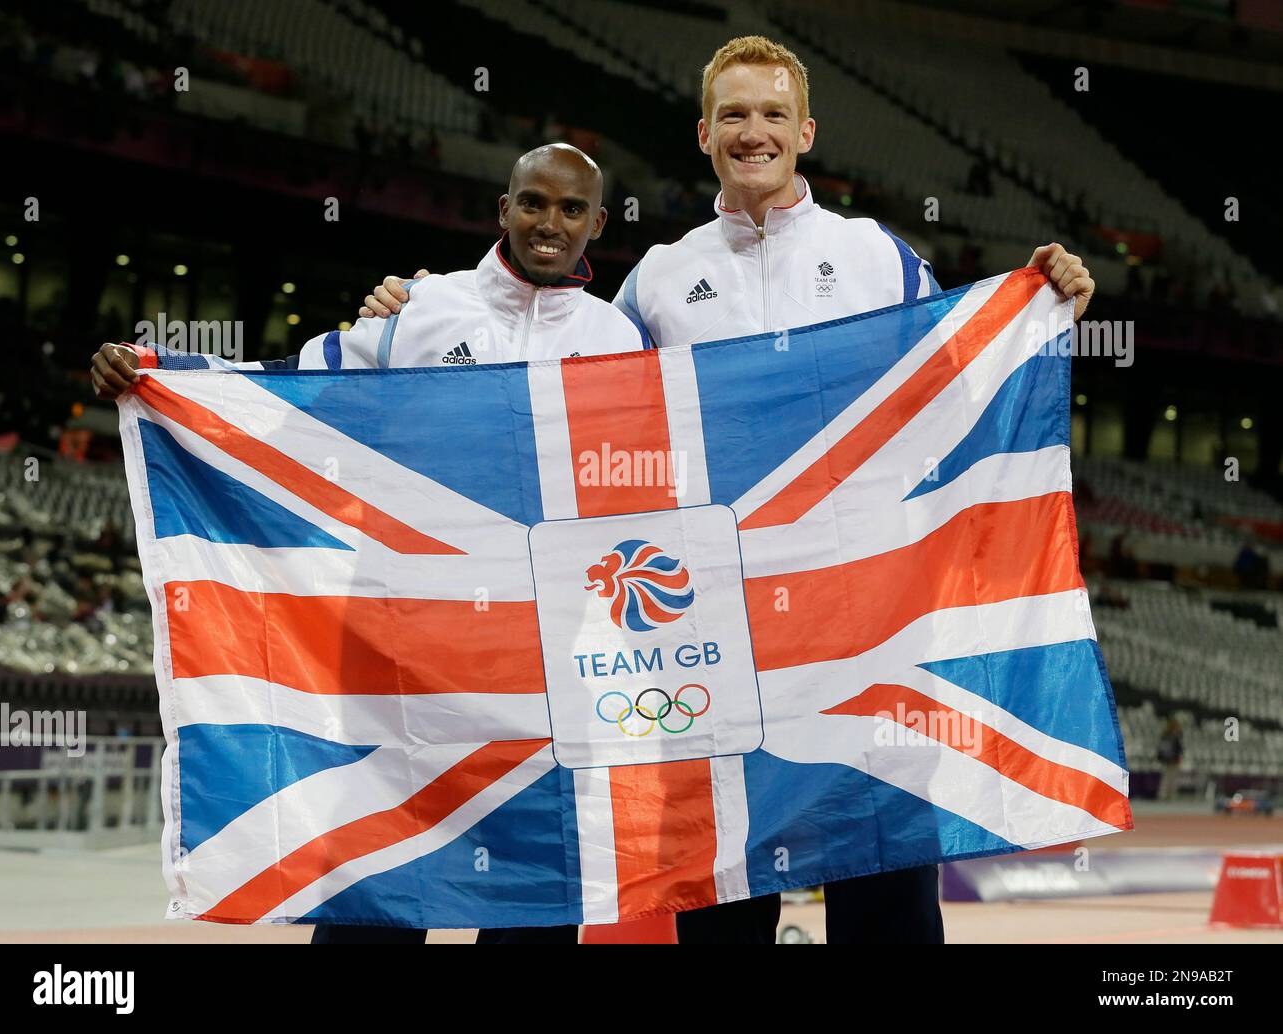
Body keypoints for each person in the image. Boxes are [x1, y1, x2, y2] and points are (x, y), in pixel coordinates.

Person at [357, 35, 1096, 945]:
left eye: (774, 114)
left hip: (865, 632)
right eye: (736, 116)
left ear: (807, 131)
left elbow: (958, 383)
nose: (756, 132)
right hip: (719, 639)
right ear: (705, 135)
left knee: (888, 890)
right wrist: (418, 309)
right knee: (725, 900)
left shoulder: (880, 259)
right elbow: (578, 410)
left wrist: (1041, 305)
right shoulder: (658, 284)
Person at [90, 142, 644, 944]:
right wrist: (160, 373)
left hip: (545, 665)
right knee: (379, 885)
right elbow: (290, 388)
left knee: (538, 896)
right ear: (503, 209)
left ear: (598, 222)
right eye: (532, 203)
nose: (548, 223)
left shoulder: (621, 343)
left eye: (570, 209)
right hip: (405, 650)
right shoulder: (417, 313)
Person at [1156, 719, 1184, 802]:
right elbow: (1179, 749)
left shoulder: (1165, 735)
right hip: (1171, 759)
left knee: (1167, 777)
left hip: (1168, 759)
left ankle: (1165, 794)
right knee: (1170, 777)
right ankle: (1167, 794)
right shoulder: (1174, 736)